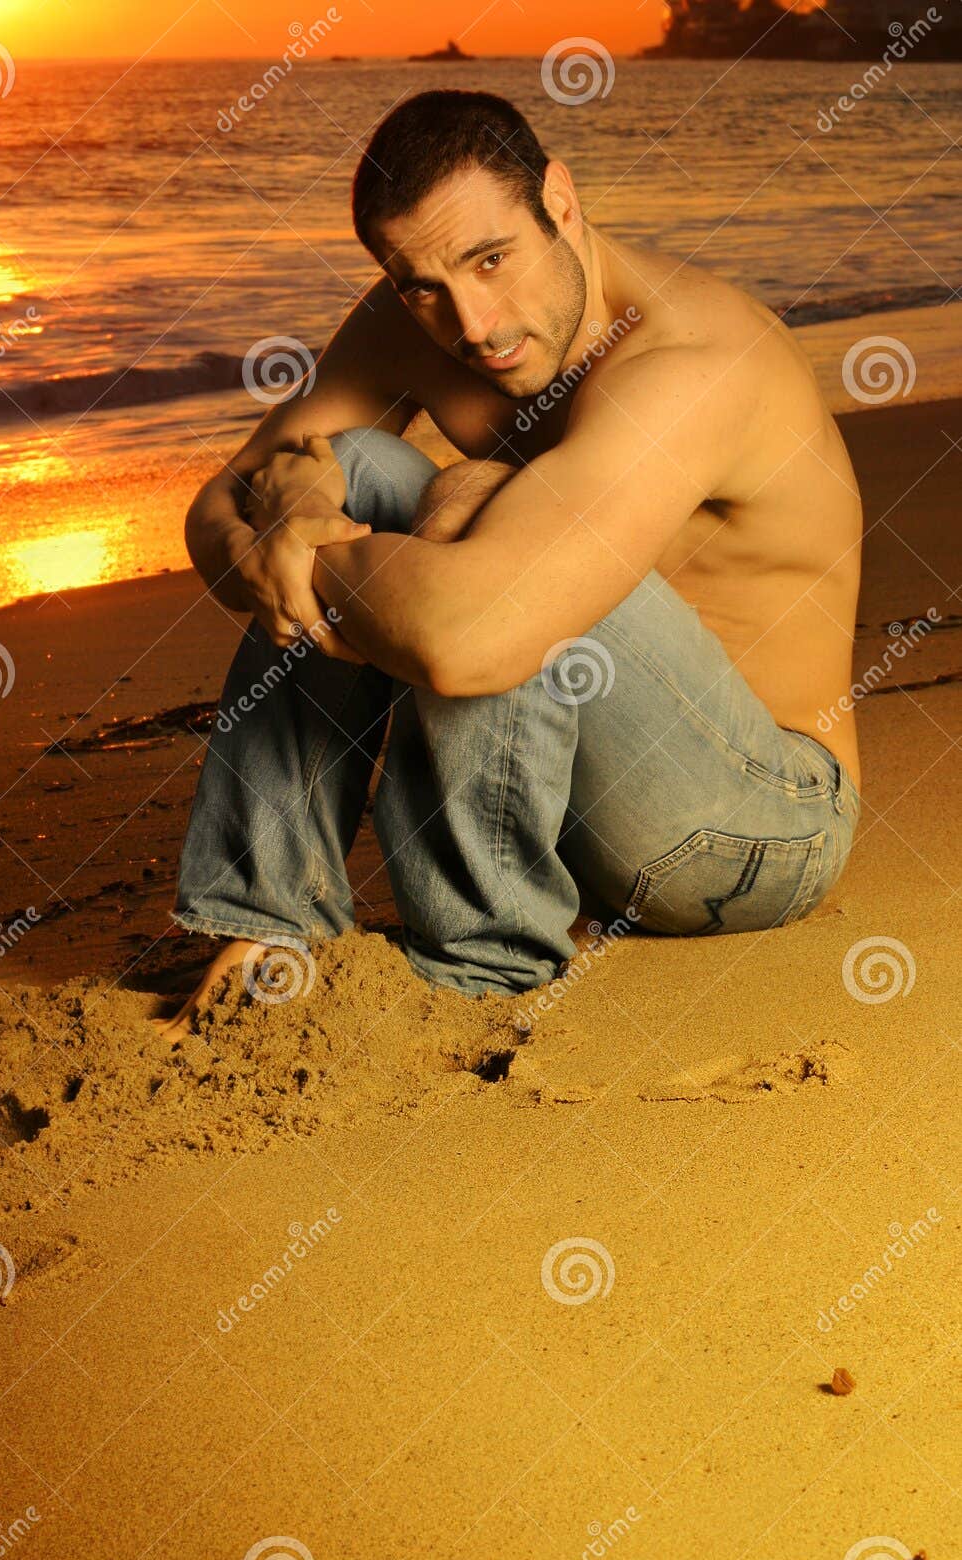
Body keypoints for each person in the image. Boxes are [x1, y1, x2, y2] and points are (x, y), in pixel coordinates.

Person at [159, 88, 862, 1039]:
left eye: (493, 259)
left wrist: (295, 538)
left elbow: (470, 643)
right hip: (559, 802)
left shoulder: (692, 365)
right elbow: (219, 505)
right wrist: (274, 514)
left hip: (749, 829)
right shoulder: (418, 313)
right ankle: (267, 931)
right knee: (353, 466)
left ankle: (482, 963)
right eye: (423, 285)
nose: (474, 323)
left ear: (560, 203)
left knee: (473, 508)